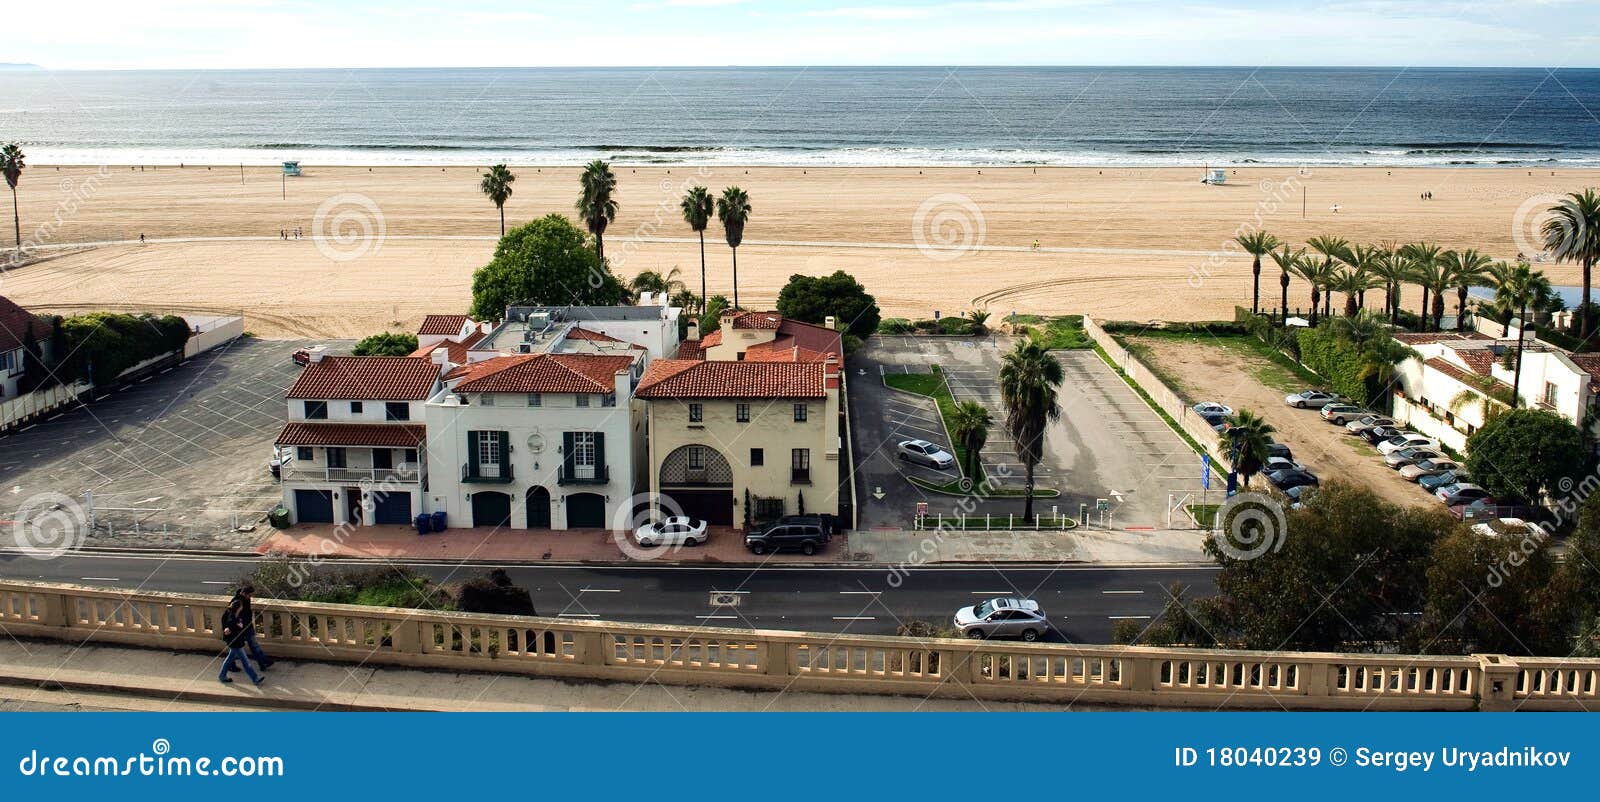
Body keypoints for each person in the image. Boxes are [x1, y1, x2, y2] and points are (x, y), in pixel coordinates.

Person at [226, 583, 274, 673]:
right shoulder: (236, 601)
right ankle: (230, 665)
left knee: (253, 645)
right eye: (249, 595)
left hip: (247, 626)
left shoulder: (246, 599)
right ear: (244, 593)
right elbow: (232, 615)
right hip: (240, 628)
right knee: (236, 649)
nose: (250, 597)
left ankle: (263, 662)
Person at [219, 598, 264, 685]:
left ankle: (222, 676)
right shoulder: (232, 618)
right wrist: (236, 627)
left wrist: (238, 626)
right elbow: (229, 629)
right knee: (246, 662)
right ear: (239, 608)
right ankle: (255, 679)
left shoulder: (235, 616)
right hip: (236, 643)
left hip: (235, 642)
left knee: (229, 660)